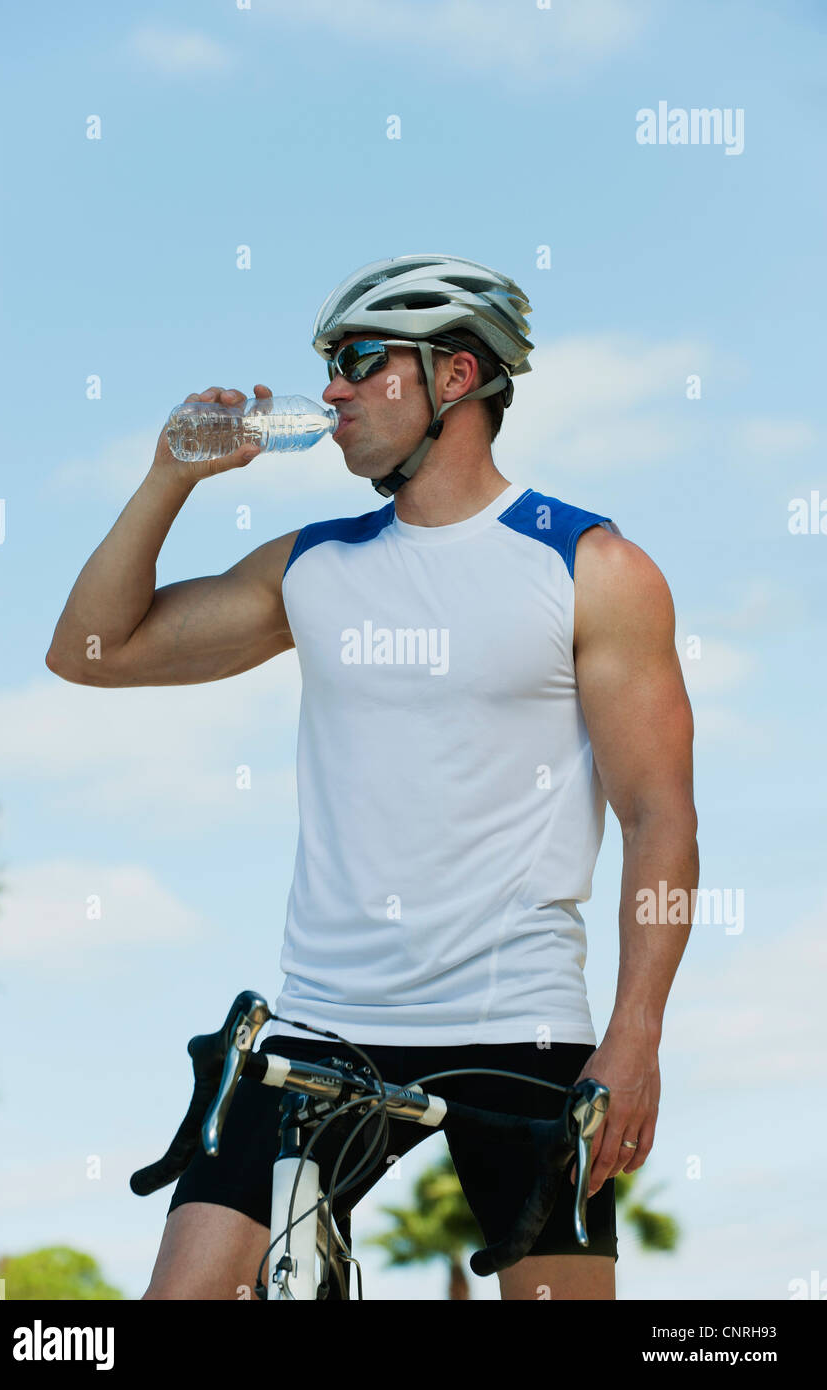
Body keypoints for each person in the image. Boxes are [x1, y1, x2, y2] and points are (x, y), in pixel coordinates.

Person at [46, 253, 698, 1301]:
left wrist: (635, 1032)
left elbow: (659, 813)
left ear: (453, 378)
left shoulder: (591, 566)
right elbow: (88, 651)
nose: (334, 388)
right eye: (331, 365)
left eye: (360, 360)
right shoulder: (316, 565)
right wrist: (171, 471)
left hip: (521, 1023)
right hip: (324, 1021)